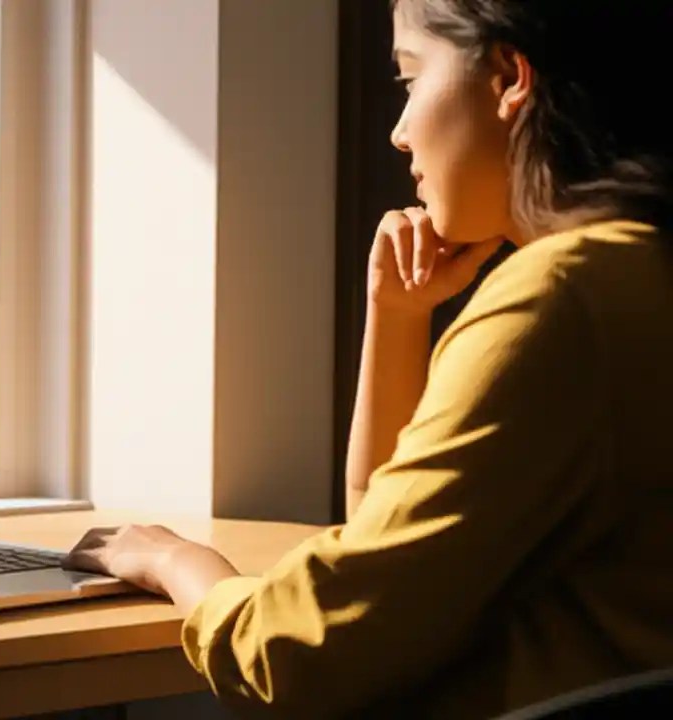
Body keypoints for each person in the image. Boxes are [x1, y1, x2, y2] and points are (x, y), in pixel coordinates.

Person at [62, 0, 673, 716]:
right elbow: (385, 555)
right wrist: (398, 317)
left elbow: (309, 653)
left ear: (510, 77)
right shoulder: (635, 276)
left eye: (410, 79)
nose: (399, 131)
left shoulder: (563, 300)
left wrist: (177, 563)